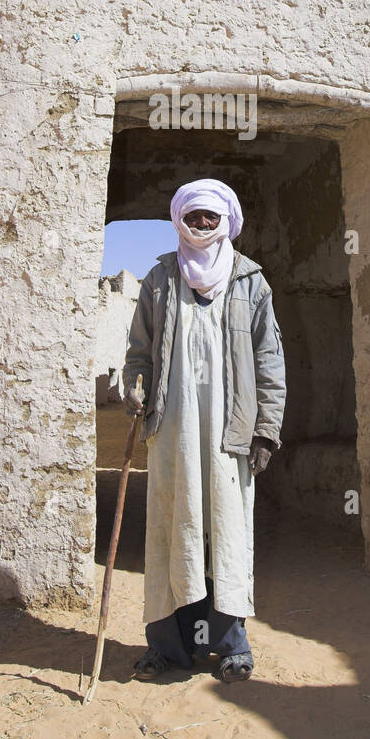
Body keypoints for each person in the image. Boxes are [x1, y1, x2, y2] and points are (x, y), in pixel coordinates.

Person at [122, 178, 287, 682]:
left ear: (225, 221)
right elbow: (139, 353)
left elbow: (269, 361)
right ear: (180, 221)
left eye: (210, 216)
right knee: (175, 530)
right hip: (172, 431)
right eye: (193, 216)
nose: (201, 223)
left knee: (227, 533)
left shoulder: (251, 281)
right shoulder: (159, 280)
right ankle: (169, 647)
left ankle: (231, 644)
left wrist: (266, 430)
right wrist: (135, 384)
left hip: (229, 432)